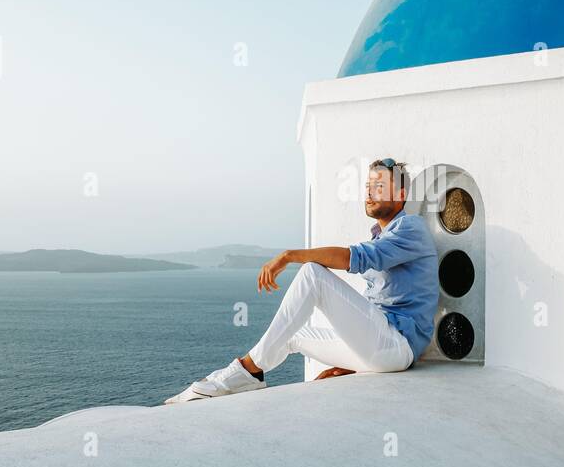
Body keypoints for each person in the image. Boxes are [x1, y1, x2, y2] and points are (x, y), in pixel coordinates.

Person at [166, 158, 438, 403]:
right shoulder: (381, 234)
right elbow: (372, 302)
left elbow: (357, 258)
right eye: (367, 185)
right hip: (381, 348)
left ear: (401, 194)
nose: (369, 191)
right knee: (291, 334)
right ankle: (252, 377)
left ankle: (243, 370)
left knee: (312, 273)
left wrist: (288, 256)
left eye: (379, 185)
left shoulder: (410, 228)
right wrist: (352, 361)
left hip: (397, 345)